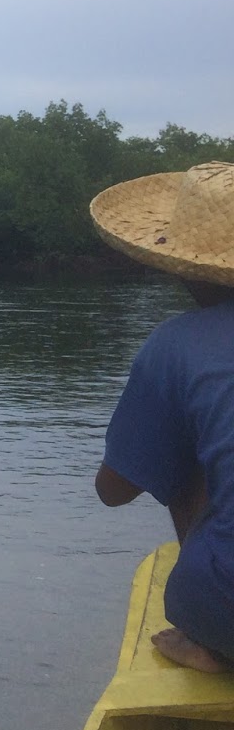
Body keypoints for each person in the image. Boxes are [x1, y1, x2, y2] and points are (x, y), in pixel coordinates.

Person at [91, 161, 234, 673]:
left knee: (181, 452)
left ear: (178, 261)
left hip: (226, 605)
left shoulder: (177, 343)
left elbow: (114, 490)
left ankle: (212, 643)